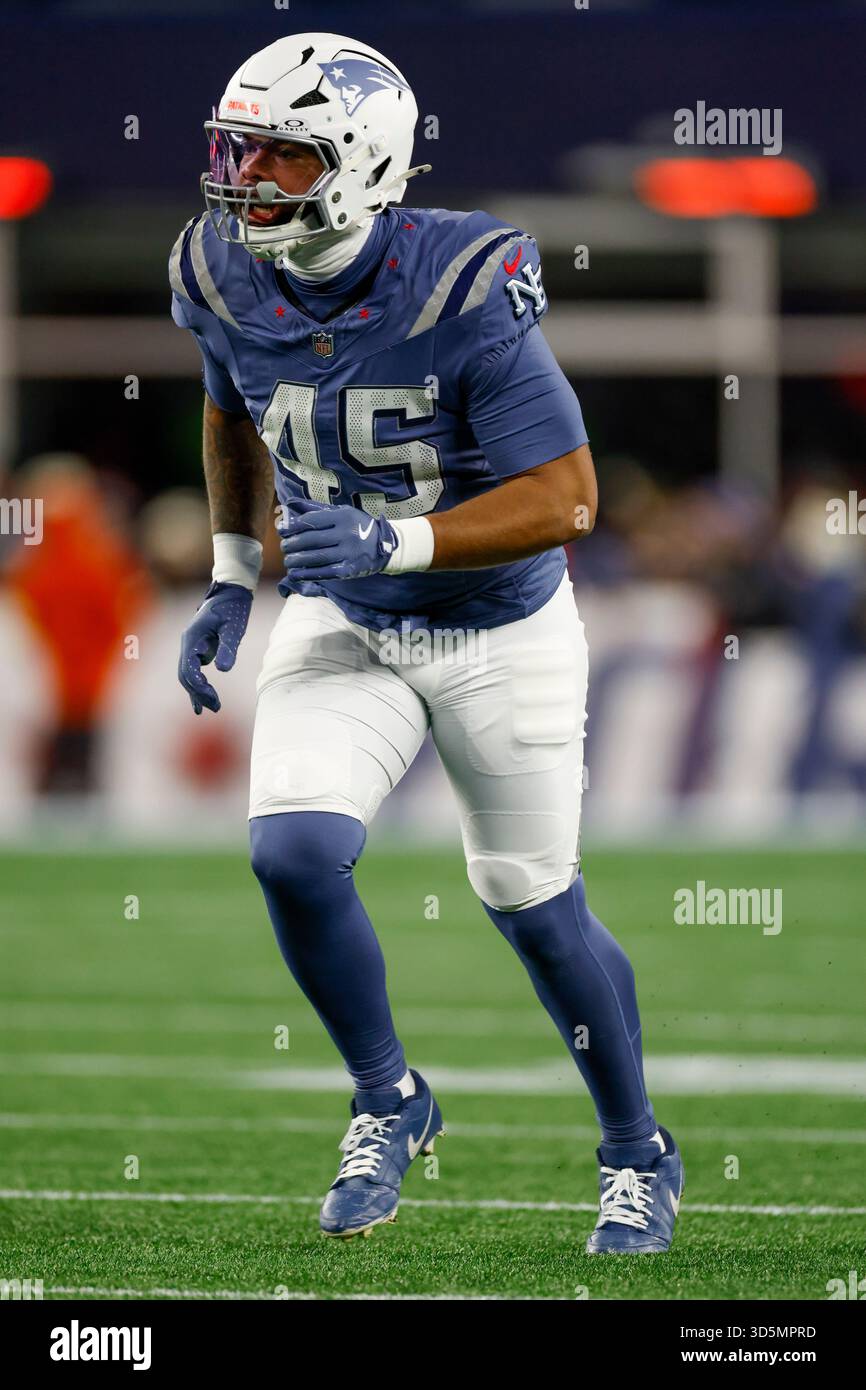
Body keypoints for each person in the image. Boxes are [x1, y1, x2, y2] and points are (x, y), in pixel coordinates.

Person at [173, 30, 683, 1251]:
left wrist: (400, 542)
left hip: (498, 626)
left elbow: (567, 498)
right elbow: (229, 406)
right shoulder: (216, 265)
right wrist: (234, 571)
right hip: (348, 618)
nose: (245, 175)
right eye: (237, 146)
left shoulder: (459, 275)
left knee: (530, 902)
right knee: (293, 853)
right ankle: (388, 1098)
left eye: (280, 155)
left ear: (357, 163)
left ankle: (635, 1149)